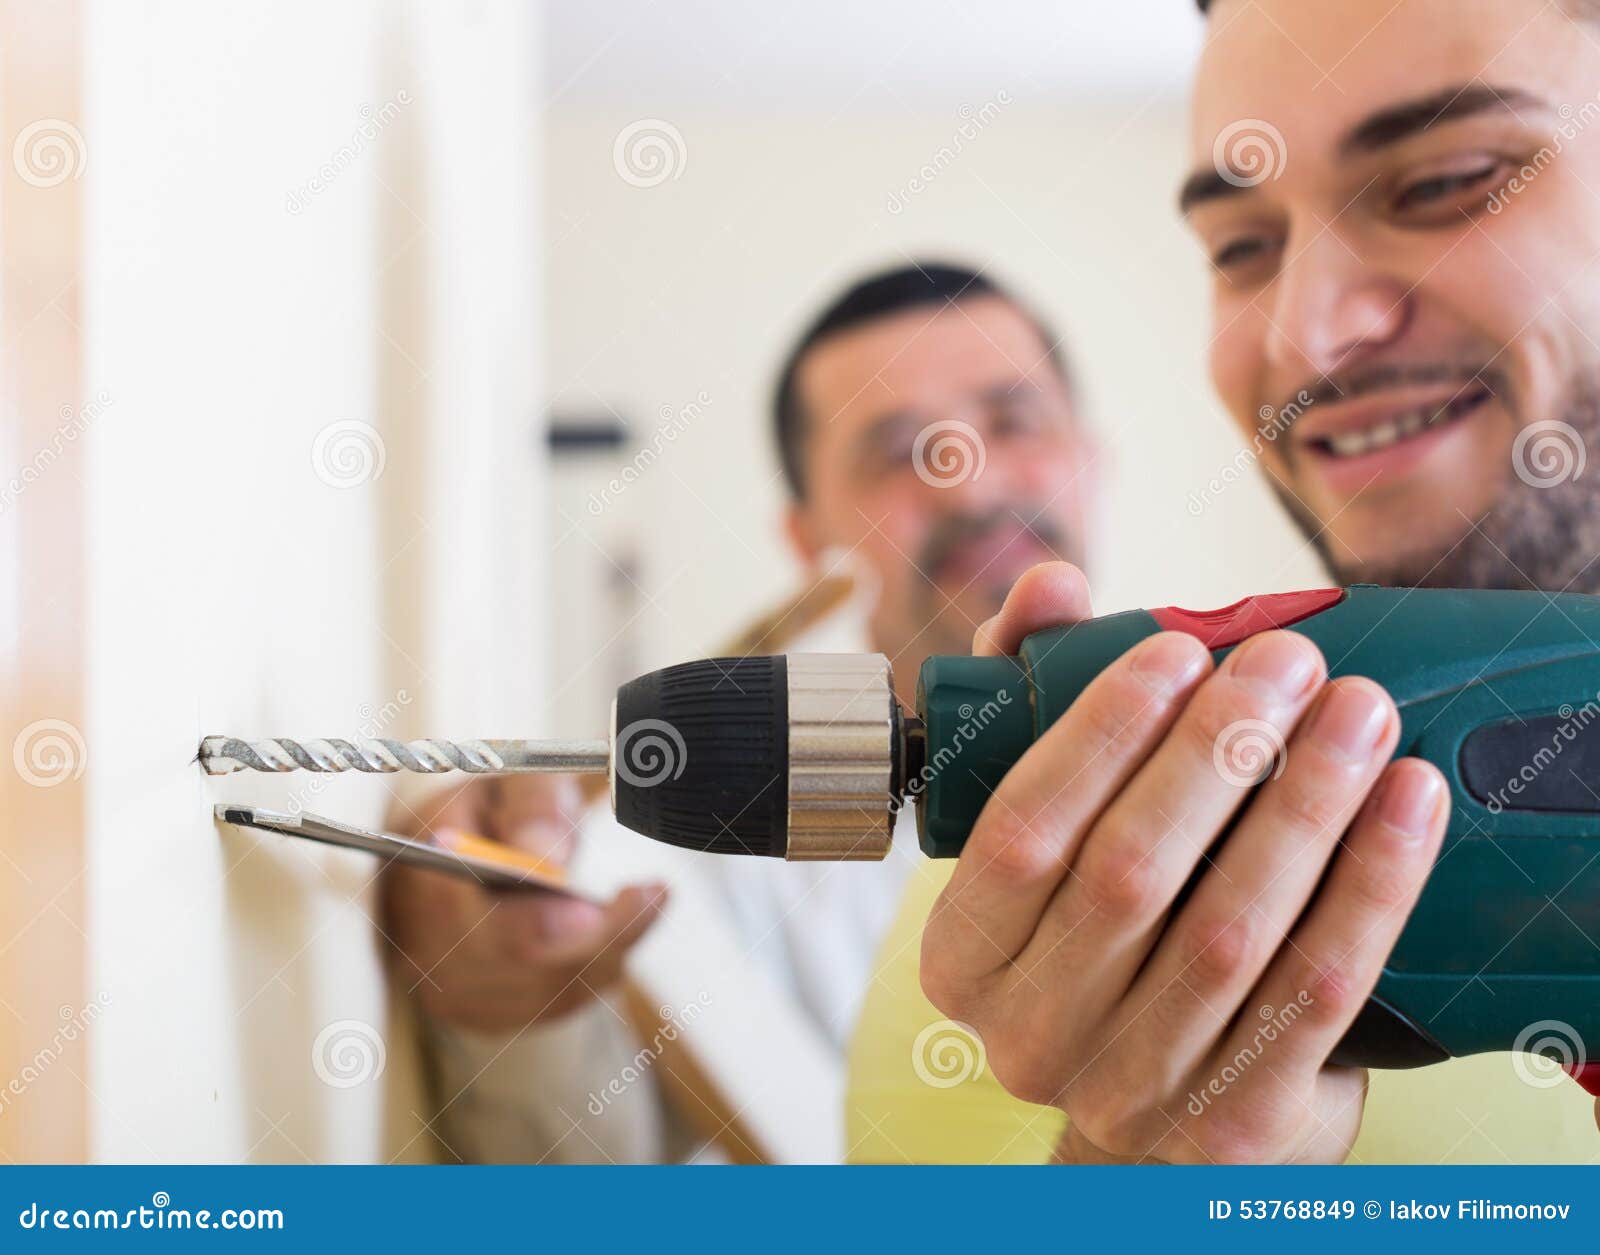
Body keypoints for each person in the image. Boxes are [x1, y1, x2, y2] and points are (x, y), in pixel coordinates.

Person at [848, 0, 1600, 1163]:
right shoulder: (1020, 948)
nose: (1302, 336)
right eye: (1242, 247)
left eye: (1445, 183)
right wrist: (1172, 1187)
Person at [378, 261, 1096, 1162]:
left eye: (1014, 421)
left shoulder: (1248, 739)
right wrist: (505, 1012)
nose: (970, 485)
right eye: (898, 452)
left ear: (1092, 460)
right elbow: (588, 1176)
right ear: (809, 541)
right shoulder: (709, 851)